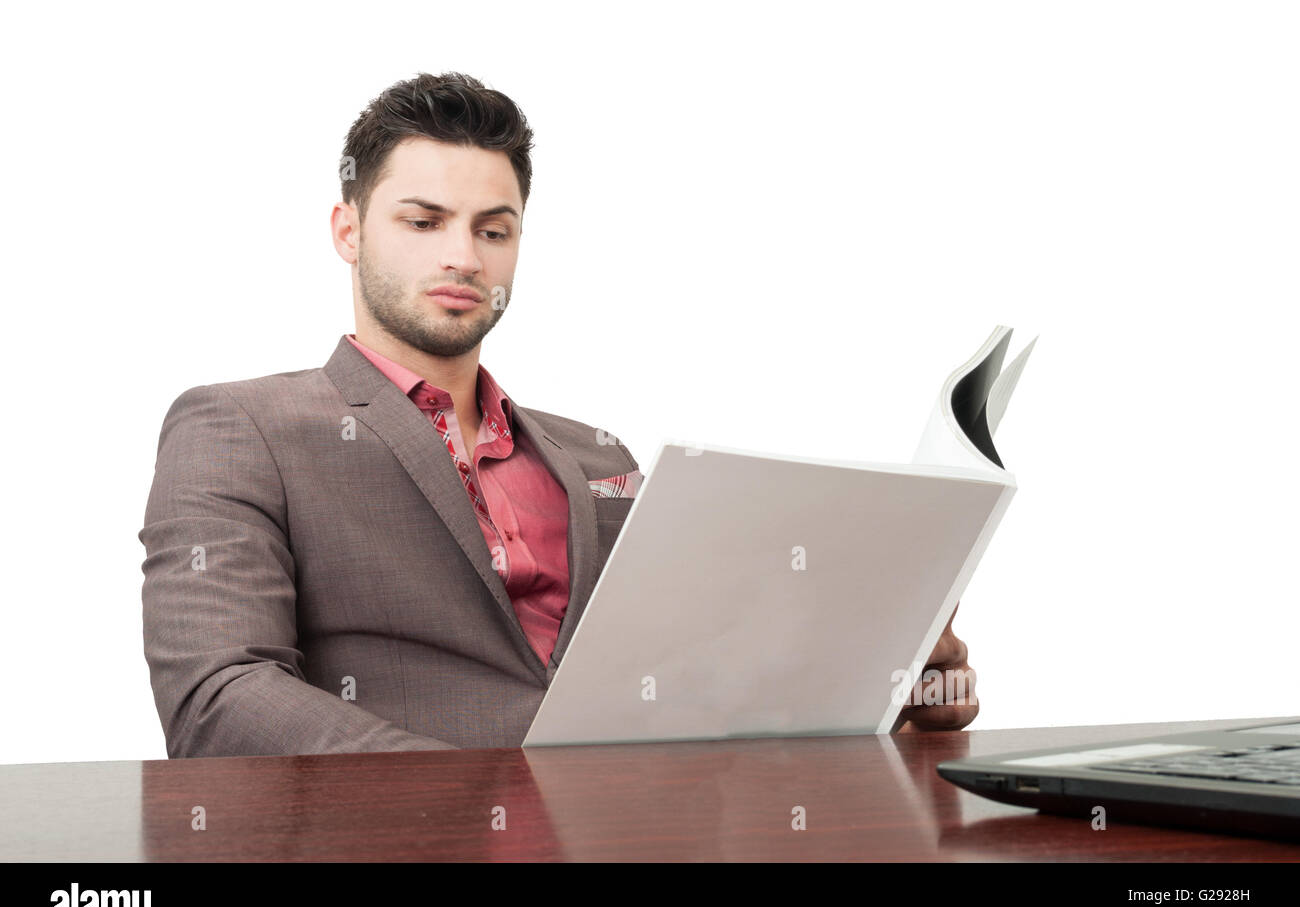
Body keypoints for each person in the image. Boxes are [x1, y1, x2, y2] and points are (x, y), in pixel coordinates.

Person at [138, 71, 977, 757]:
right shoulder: (239, 427)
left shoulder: (593, 451)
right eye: (423, 221)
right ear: (347, 231)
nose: (462, 256)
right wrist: (491, 795)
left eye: (494, 230)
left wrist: (881, 683)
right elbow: (219, 697)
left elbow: (688, 673)